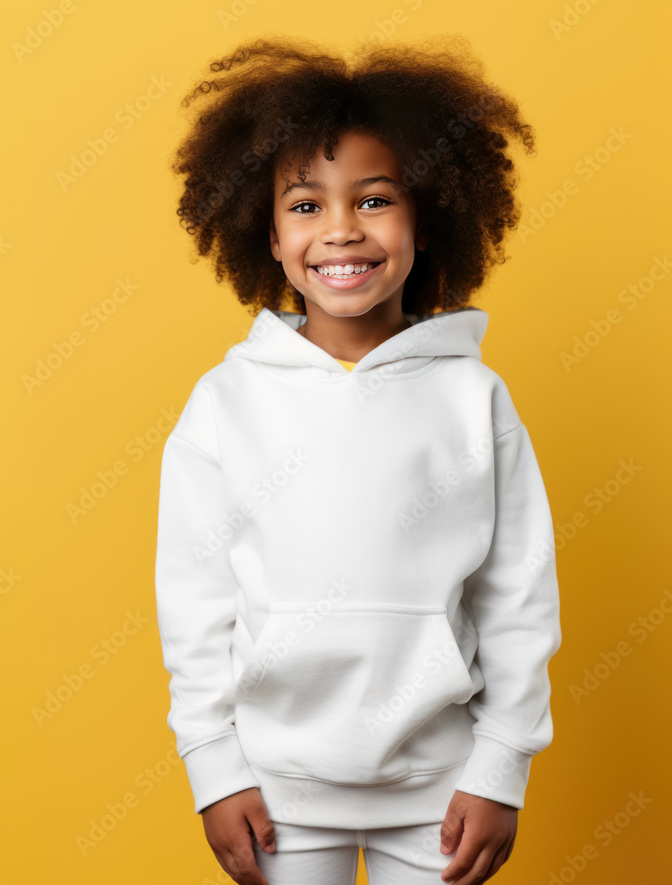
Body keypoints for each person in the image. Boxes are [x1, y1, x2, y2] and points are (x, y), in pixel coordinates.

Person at [154, 34, 563, 885]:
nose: (341, 229)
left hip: (443, 788)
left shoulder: (472, 397)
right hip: (275, 792)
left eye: (374, 199)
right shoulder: (225, 404)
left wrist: (501, 762)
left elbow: (518, 595)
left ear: (427, 218)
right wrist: (213, 764)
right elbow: (194, 600)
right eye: (306, 205)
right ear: (266, 234)